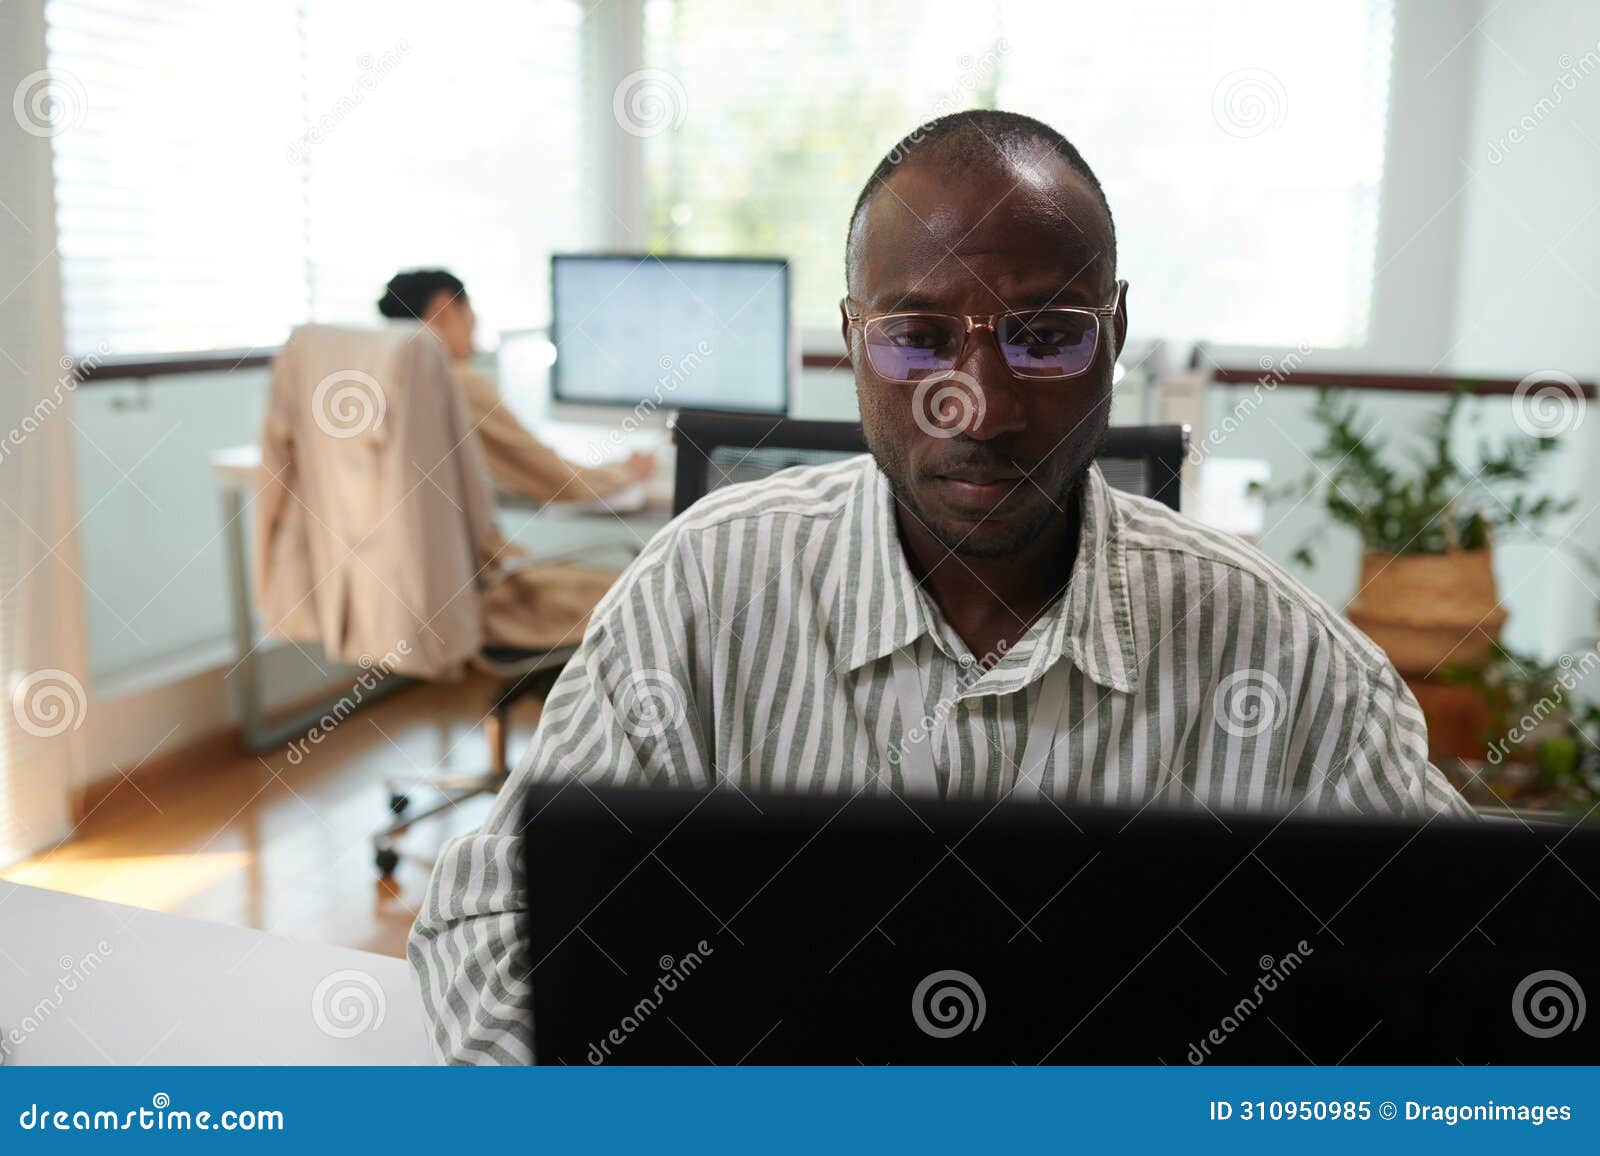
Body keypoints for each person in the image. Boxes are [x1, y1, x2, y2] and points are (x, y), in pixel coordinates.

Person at [409, 110, 1475, 1064]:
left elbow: (1459, 970)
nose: (981, 406)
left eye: (1047, 336)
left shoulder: (1281, 655)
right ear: (851, 344)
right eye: (917, 338)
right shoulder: (701, 590)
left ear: (1113, 337)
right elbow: (491, 922)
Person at [378, 269, 655, 504]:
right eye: (469, 309)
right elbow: (556, 480)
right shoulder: (457, 382)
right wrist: (627, 471)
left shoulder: (382, 379)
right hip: (483, 566)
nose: (475, 322)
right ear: (444, 307)